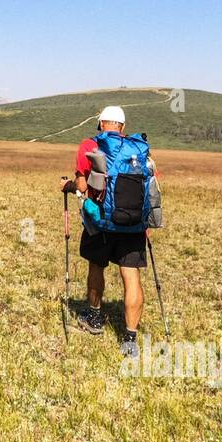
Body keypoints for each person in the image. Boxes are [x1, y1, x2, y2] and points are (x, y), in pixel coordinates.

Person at [61, 105, 157, 356]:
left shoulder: (89, 145)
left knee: (96, 266)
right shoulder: (137, 149)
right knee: (131, 275)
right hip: (134, 223)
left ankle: (94, 318)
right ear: (123, 127)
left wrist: (69, 186)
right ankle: (130, 338)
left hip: (101, 221)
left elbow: (83, 185)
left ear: (101, 124)